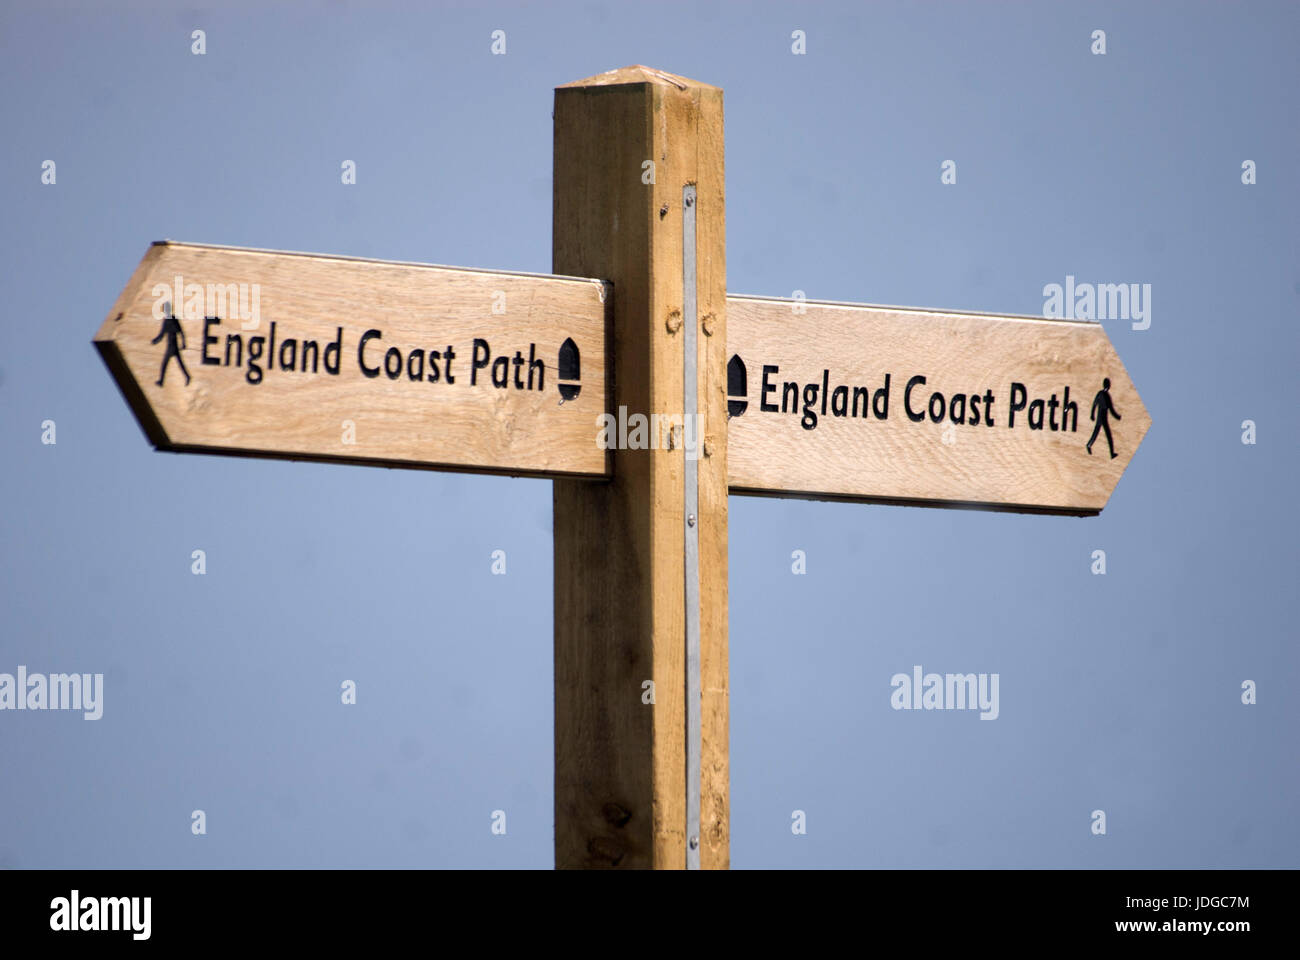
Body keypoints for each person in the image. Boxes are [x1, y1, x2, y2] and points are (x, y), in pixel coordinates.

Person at [151, 305, 191, 387]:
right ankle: (187, 376)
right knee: (180, 363)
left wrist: (155, 341)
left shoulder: (167, 321)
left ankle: (161, 381)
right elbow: (181, 332)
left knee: (165, 364)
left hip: (170, 347)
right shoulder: (174, 319)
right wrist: (184, 343)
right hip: (174, 346)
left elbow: (161, 335)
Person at [1087, 378, 1120, 459]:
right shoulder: (1101, 394)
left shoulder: (1105, 395)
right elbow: (1095, 404)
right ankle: (1111, 453)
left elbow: (1111, 409)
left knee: (1097, 434)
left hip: (1102, 417)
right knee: (1105, 435)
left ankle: (1089, 445)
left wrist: (1117, 416)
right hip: (1101, 417)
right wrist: (1092, 414)